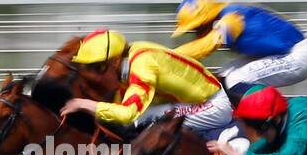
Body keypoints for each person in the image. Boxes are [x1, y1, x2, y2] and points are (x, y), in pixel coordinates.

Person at [58, 29, 232, 138]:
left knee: (146, 127)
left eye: (98, 67)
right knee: (137, 123)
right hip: (192, 102)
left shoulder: (142, 66)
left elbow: (128, 114)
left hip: (212, 106)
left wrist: (84, 104)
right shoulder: (131, 54)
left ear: (115, 61)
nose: (96, 76)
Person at [171, 0, 307, 99]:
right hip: (278, 53)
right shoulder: (225, 15)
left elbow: (207, 45)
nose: (196, 32)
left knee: (236, 79)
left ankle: (266, 121)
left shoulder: (232, 19)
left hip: (297, 55)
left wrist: (167, 56)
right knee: (222, 76)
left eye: (198, 27)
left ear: (208, 18)